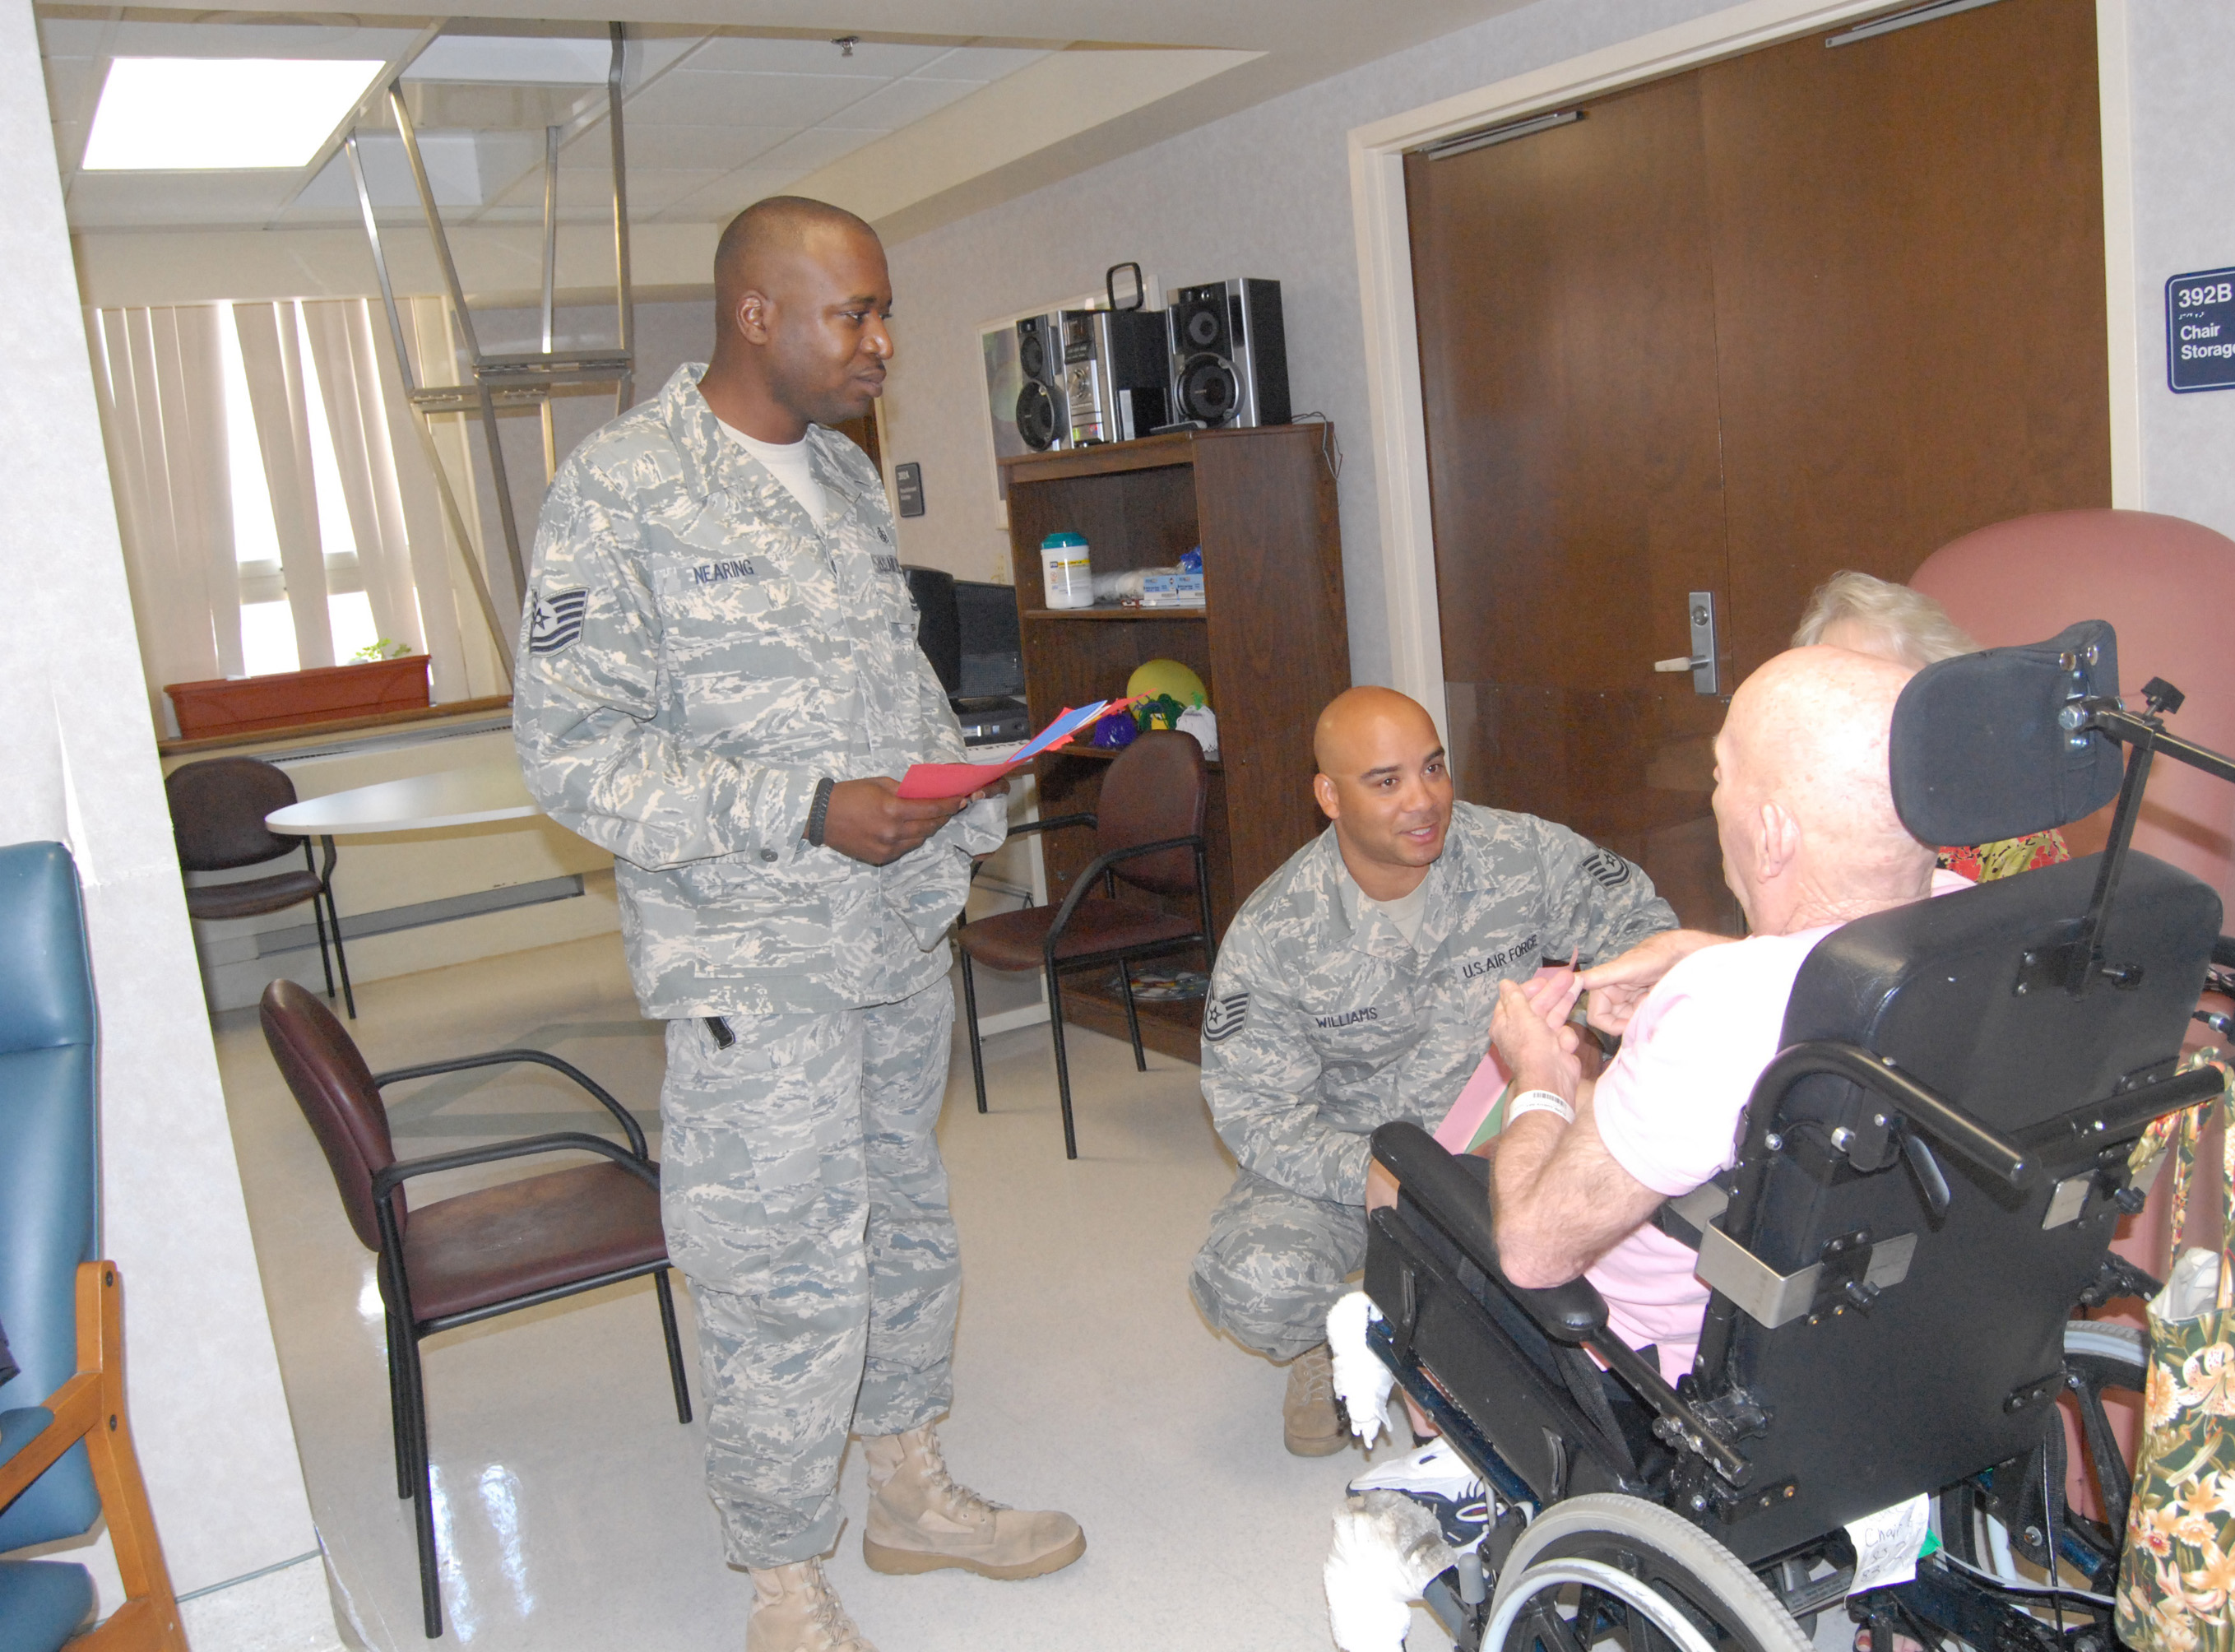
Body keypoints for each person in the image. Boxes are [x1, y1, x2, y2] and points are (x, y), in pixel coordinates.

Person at [516, 197, 1080, 1652]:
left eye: (884, 309)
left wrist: (975, 782)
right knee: (778, 1262)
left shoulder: (835, 474)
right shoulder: (623, 488)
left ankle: (909, 1485)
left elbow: (888, 698)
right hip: (753, 967)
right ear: (757, 314)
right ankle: (783, 1578)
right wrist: (806, 804)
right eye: (859, 313)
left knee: (903, 1222)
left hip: (893, 943)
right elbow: (573, 753)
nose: (884, 342)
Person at [1191, 685, 1684, 1455]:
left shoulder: (1519, 852)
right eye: (1385, 782)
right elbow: (1254, 1110)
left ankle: (1483, 1335)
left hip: (1517, 1130)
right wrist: (1369, 1170)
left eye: (1434, 768)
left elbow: (1648, 934)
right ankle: (1342, 1336)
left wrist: (1583, 1032)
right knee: (1256, 1280)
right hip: (1362, 1154)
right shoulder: (1277, 931)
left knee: (1656, 1229)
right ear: (1329, 795)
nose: (1423, 801)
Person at [1484, 645, 1959, 1376]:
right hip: (1908, 1327)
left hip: (1666, 1351)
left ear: (1771, 835)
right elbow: (1829, 958)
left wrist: (1539, 1075)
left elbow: (1533, 1253)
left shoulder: (1723, 1009)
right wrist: (1695, 949)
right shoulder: (1975, 922)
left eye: (1720, 775)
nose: (1712, 799)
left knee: (1413, 1180)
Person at [1792, 570, 2070, 884]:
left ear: (1945, 691)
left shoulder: (2013, 833)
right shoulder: (1791, 824)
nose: (1860, 704)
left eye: (1881, 682)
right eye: (1838, 686)